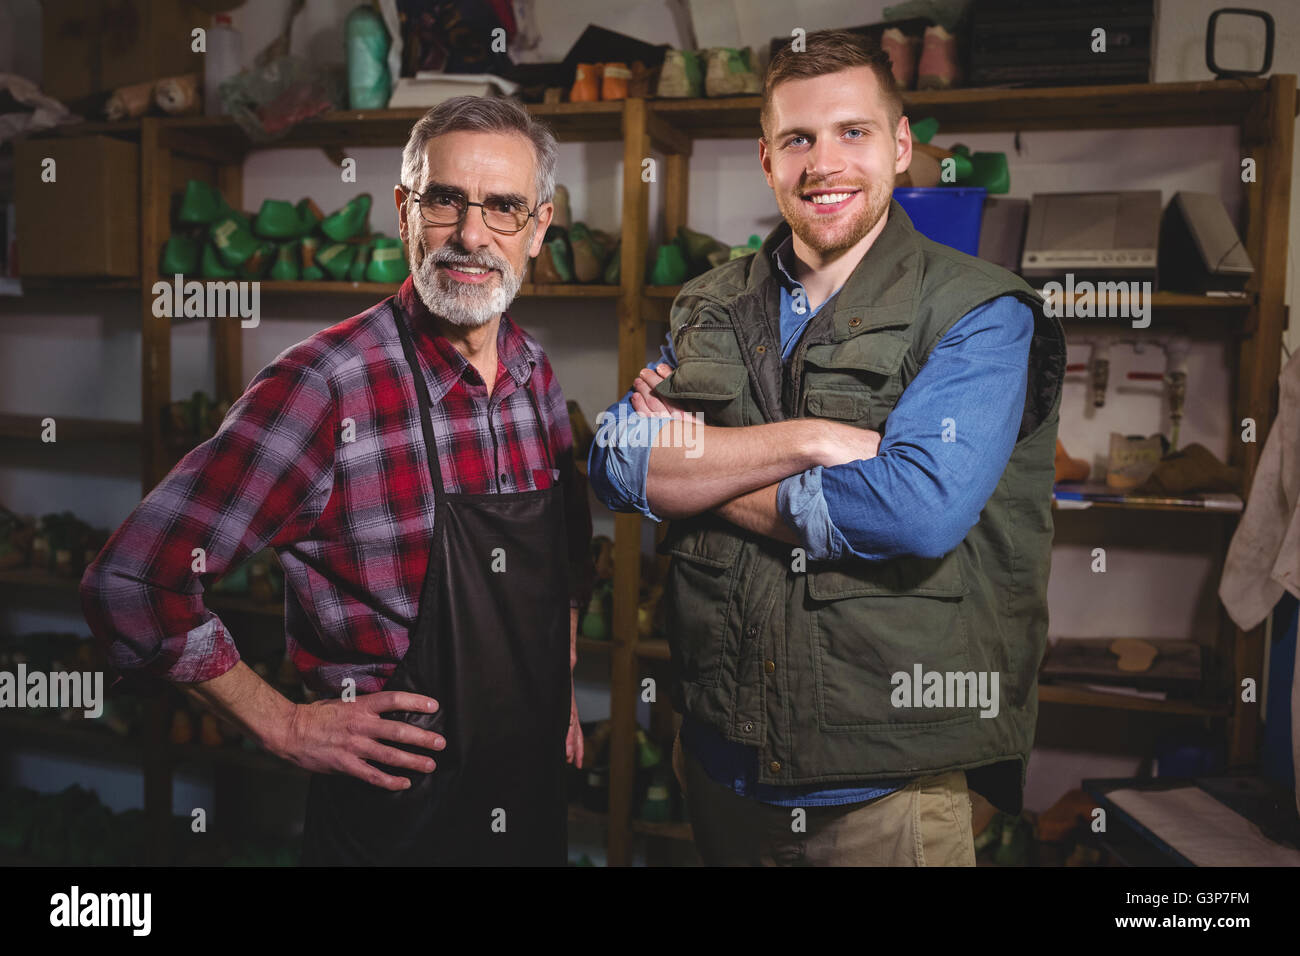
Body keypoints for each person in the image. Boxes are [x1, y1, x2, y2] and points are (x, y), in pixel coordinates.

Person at [588, 30, 1066, 866]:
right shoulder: (709, 303)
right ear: (767, 157)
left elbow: (916, 509)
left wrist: (697, 474)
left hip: (883, 787)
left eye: (854, 132)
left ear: (902, 145)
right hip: (720, 758)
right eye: (800, 139)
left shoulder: (979, 312)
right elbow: (618, 460)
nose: (825, 163)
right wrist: (808, 440)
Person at [81, 96, 592, 866]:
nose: (472, 235)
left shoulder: (535, 375)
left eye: (505, 207)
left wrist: (558, 692)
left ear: (540, 227)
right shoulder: (326, 385)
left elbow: (566, 566)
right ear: (404, 210)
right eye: (446, 200)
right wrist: (284, 723)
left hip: (528, 795)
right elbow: (133, 582)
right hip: (394, 818)